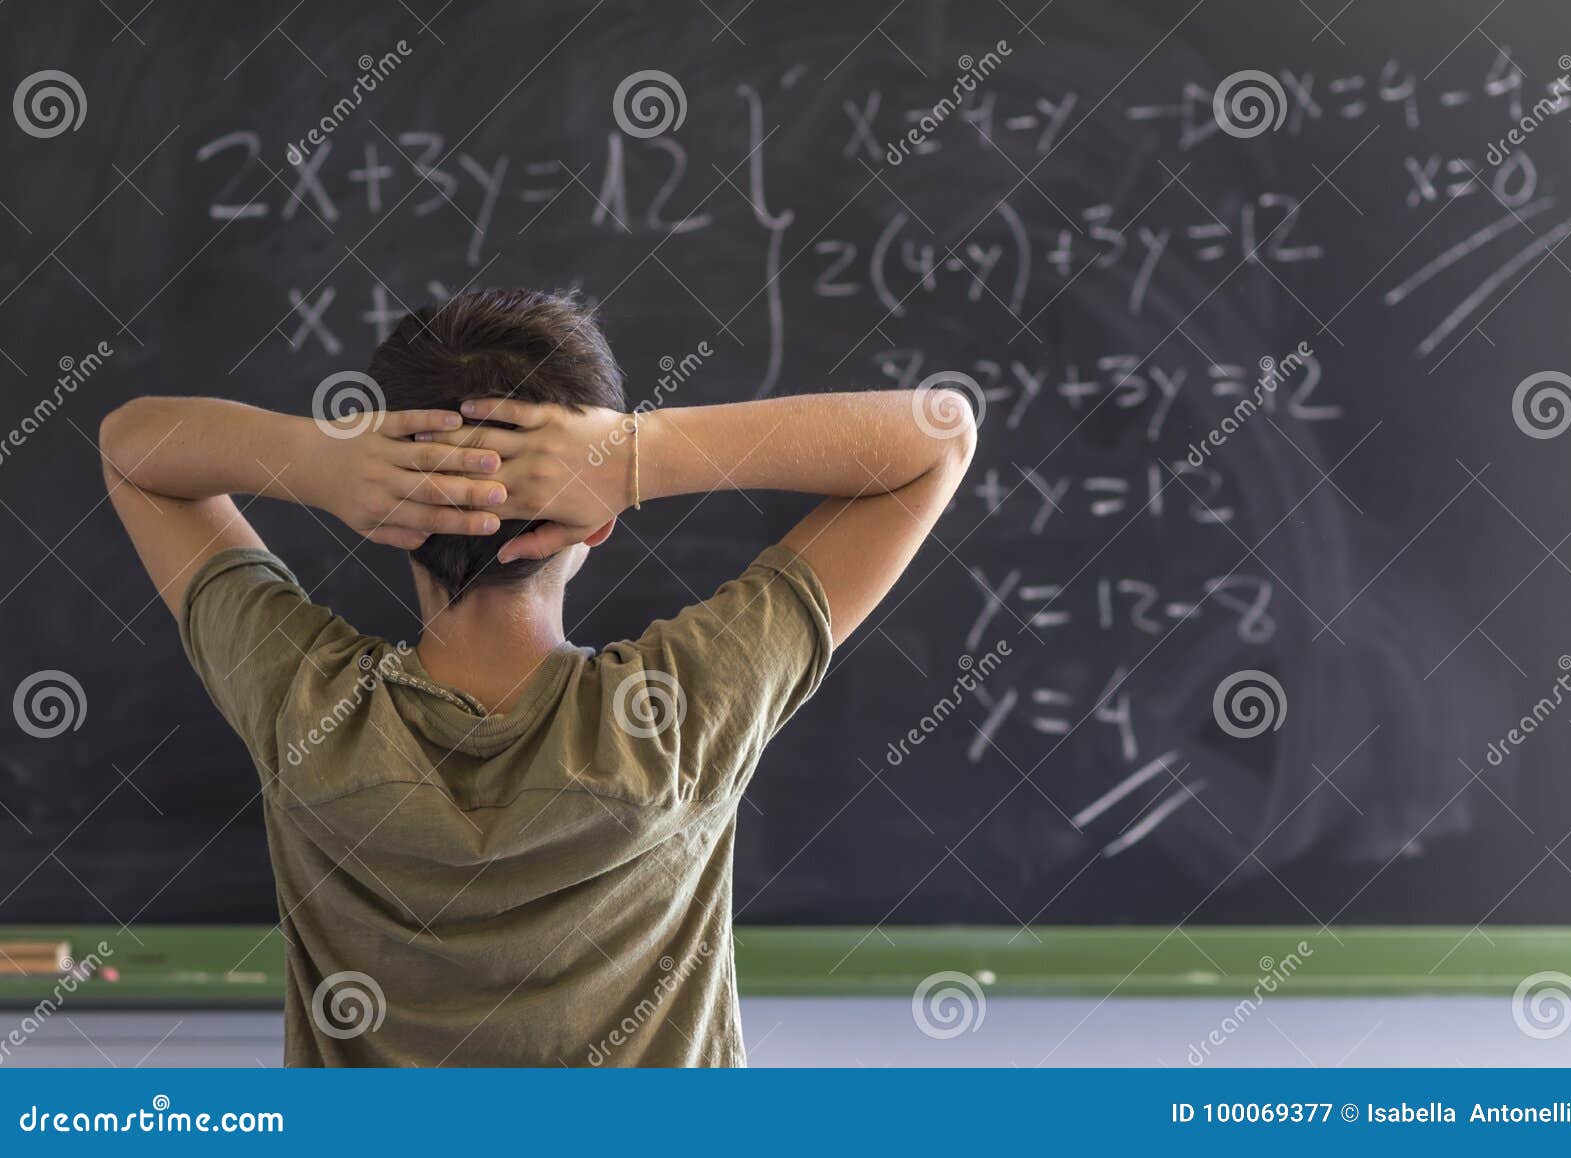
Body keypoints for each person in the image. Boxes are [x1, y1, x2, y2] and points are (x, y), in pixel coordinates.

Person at [99, 288, 977, 1066]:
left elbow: (132, 448)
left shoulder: (306, 708)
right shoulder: (681, 715)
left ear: (390, 521)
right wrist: (639, 455)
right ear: (595, 527)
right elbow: (938, 437)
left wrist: (320, 461)